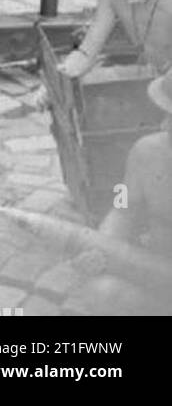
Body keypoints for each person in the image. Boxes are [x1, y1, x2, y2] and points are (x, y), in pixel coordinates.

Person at [70, 68, 172, 314]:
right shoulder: (144, 152)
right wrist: (101, 245)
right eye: (167, 113)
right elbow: (122, 207)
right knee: (101, 294)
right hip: (157, 276)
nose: (165, 123)